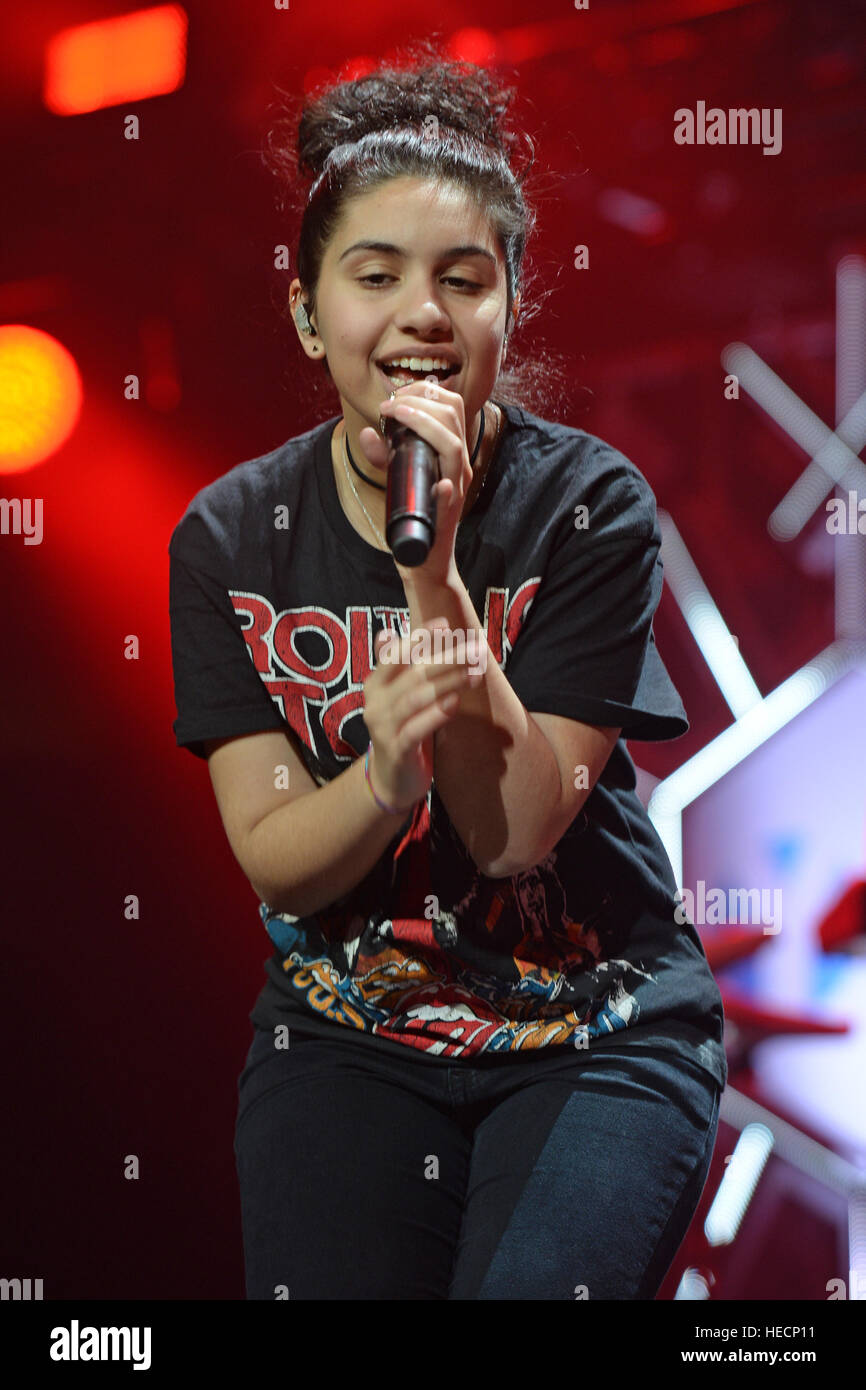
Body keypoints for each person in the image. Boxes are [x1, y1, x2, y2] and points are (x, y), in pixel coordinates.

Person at [168, 45, 727, 1301]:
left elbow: (515, 830)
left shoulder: (586, 506)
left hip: (591, 1028)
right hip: (347, 1037)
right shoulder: (226, 538)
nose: (424, 312)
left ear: (507, 309)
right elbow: (270, 850)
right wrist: (376, 775)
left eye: (462, 280)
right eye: (377, 276)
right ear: (310, 311)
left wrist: (434, 576)